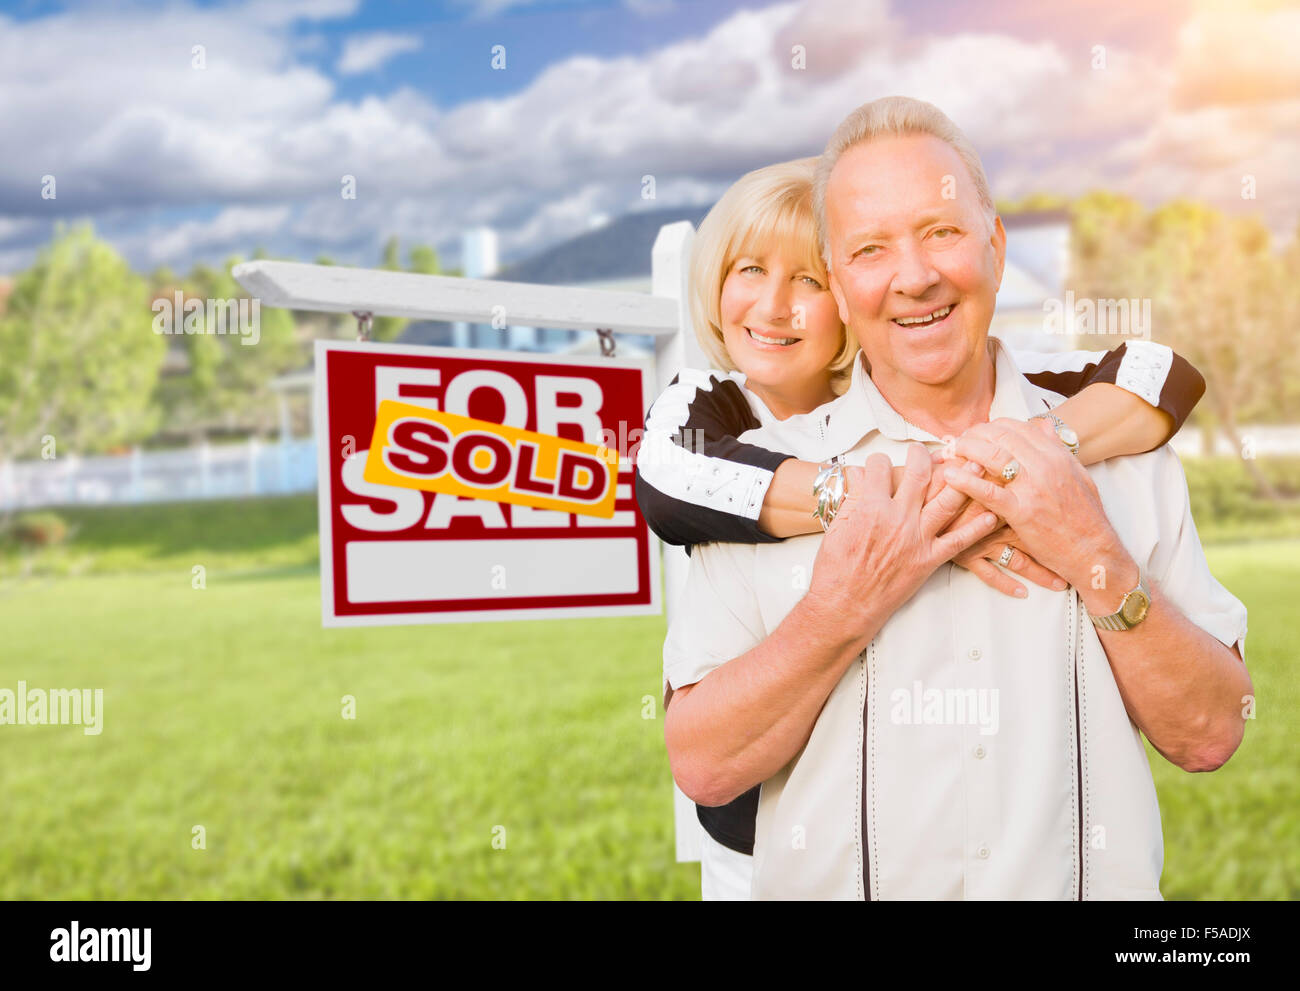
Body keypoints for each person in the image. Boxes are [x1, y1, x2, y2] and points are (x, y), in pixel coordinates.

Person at [659, 96, 1250, 899]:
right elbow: (701, 762)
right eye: (871, 249)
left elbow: (1213, 732)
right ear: (841, 280)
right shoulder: (760, 482)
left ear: (996, 246)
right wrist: (842, 607)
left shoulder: (1124, 456)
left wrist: (1093, 551)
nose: (915, 276)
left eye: (941, 232)